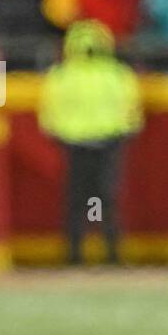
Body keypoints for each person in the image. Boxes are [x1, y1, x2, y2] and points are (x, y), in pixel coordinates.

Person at [39, 20, 142, 266]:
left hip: (75, 145)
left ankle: (75, 256)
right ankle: (111, 256)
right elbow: (132, 112)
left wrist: (61, 134)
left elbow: (49, 114)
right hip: (109, 144)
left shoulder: (61, 75)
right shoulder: (118, 74)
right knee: (106, 200)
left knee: (78, 201)